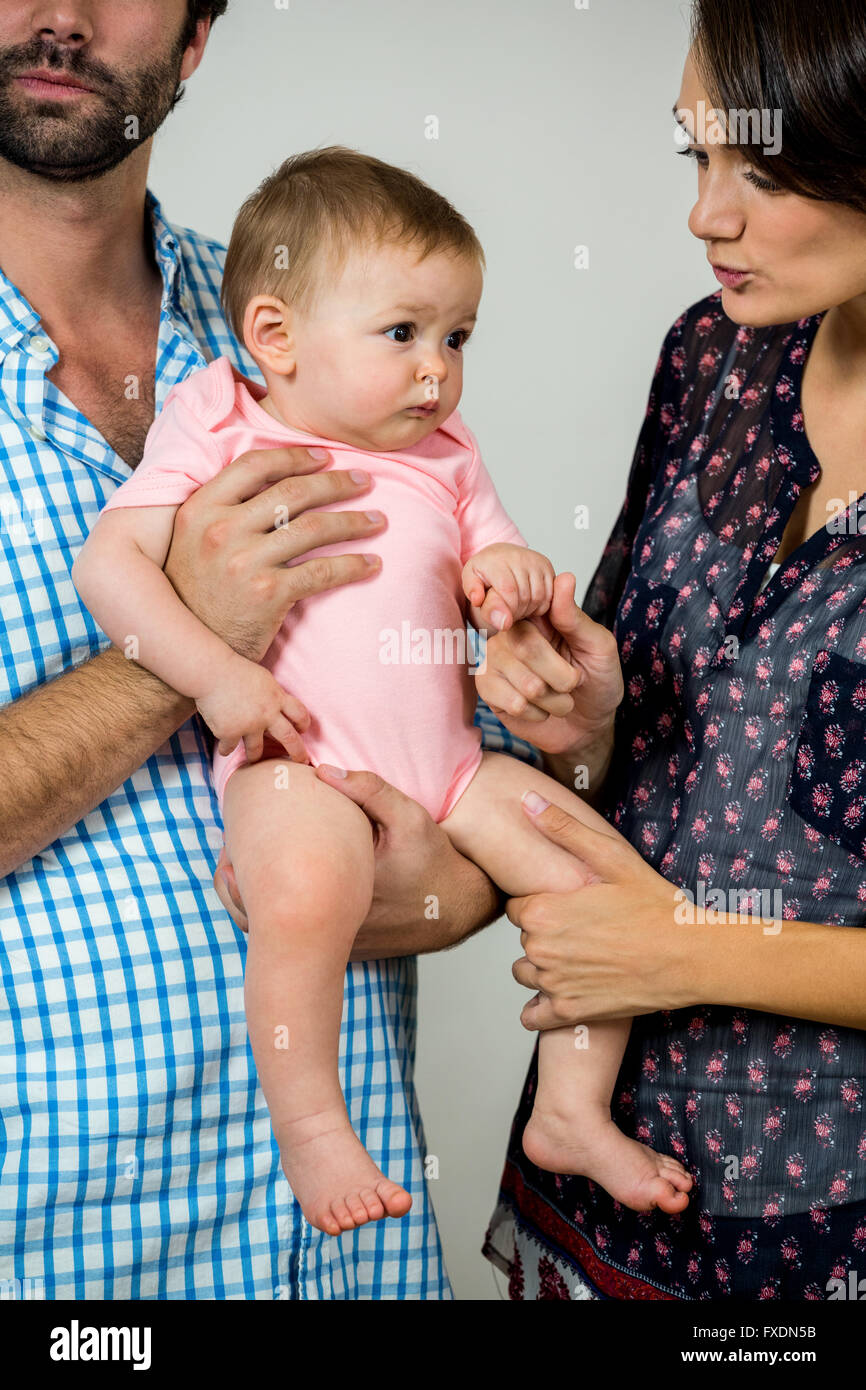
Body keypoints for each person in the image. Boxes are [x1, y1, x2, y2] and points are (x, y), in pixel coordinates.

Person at [0, 0, 534, 1300]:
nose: (59, 13)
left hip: (354, 1255)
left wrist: (448, 882)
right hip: (64, 1263)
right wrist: (180, 653)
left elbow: (472, 789)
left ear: (193, 37)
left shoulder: (339, 308)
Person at [72, 145, 694, 1236]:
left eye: (456, 338)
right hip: (295, 758)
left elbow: (494, 561)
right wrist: (218, 675)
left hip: (452, 772)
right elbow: (108, 566)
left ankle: (569, 1110)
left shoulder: (447, 452)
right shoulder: (220, 414)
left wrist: (507, 581)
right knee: (308, 896)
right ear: (275, 338)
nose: (435, 372)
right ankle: (313, 1128)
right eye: (403, 334)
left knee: (603, 881)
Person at [479, 0, 866, 1300]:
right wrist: (583, 722)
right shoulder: (713, 365)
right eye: (694, 158)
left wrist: (689, 947)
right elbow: (638, 763)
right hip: (605, 1198)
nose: (706, 214)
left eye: (756, 169)